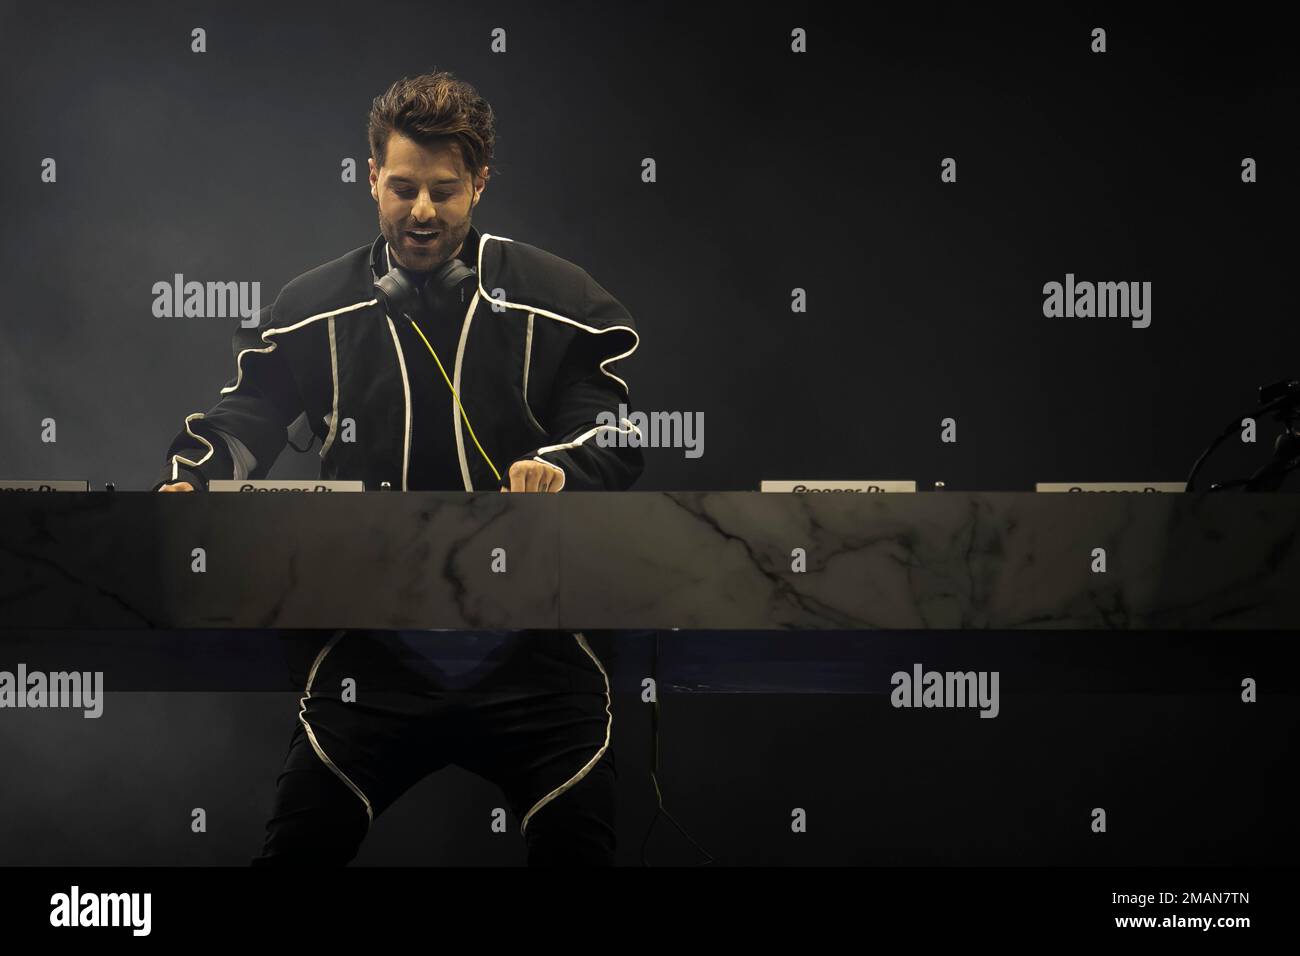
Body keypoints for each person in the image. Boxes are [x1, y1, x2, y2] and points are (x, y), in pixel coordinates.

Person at [154, 70, 644, 865]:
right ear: (371, 176)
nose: (422, 211)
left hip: (538, 654)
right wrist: (196, 478)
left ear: (479, 185)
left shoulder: (561, 299)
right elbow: (246, 420)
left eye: (445, 191)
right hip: (369, 653)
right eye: (405, 187)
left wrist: (559, 467)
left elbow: (616, 429)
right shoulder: (312, 308)